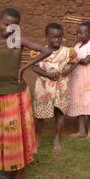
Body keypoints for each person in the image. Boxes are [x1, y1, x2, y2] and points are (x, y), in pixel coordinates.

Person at [0, 8, 49, 179]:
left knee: (15, 134)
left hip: (14, 95)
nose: (8, 28)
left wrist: (24, 68)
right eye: (5, 24)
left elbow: (44, 51)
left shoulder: (17, 41)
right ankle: (7, 169)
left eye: (13, 26)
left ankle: (19, 175)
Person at [30, 23, 76, 152]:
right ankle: (38, 138)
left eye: (59, 37)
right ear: (46, 37)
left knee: (59, 112)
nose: (56, 40)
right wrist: (47, 74)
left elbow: (73, 63)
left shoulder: (68, 52)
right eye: (53, 37)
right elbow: (34, 67)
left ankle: (57, 139)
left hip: (61, 85)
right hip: (44, 85)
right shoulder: (39, 51)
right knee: (40, 114)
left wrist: (67, 71)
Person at [66, 21, 90, 138]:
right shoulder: (77, 45)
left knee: (89, 104)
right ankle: (81, 130)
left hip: (86, 79)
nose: (78, 35)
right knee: (78, 103)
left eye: (81, 33)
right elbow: (73, 58)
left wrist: (75, 60)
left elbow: (86, 61)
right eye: (77, 33)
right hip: (75, 79)